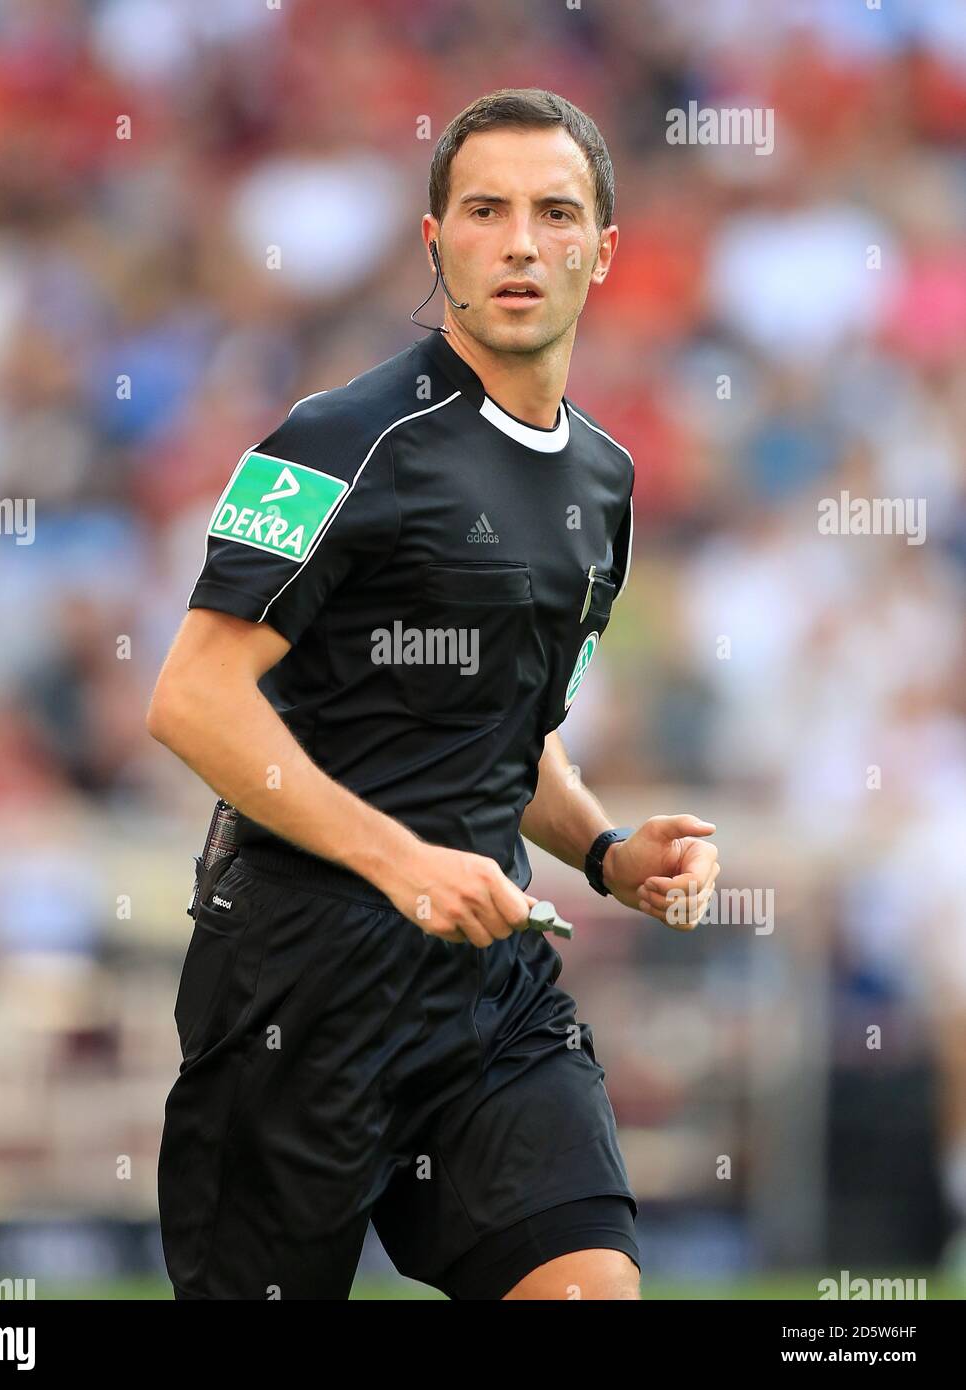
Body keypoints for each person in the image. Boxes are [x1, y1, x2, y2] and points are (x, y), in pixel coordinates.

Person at [148, 87, 720, 1301]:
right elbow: (191, 698)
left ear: (601, 251)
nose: (519, 241)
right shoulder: (328, 440)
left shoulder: (606, 478)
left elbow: (513, 741)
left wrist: (606, 851)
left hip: (487, 989)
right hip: (297, 988)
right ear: (434, 238)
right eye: (485, 210)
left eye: (554, 211)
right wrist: (400, 861)